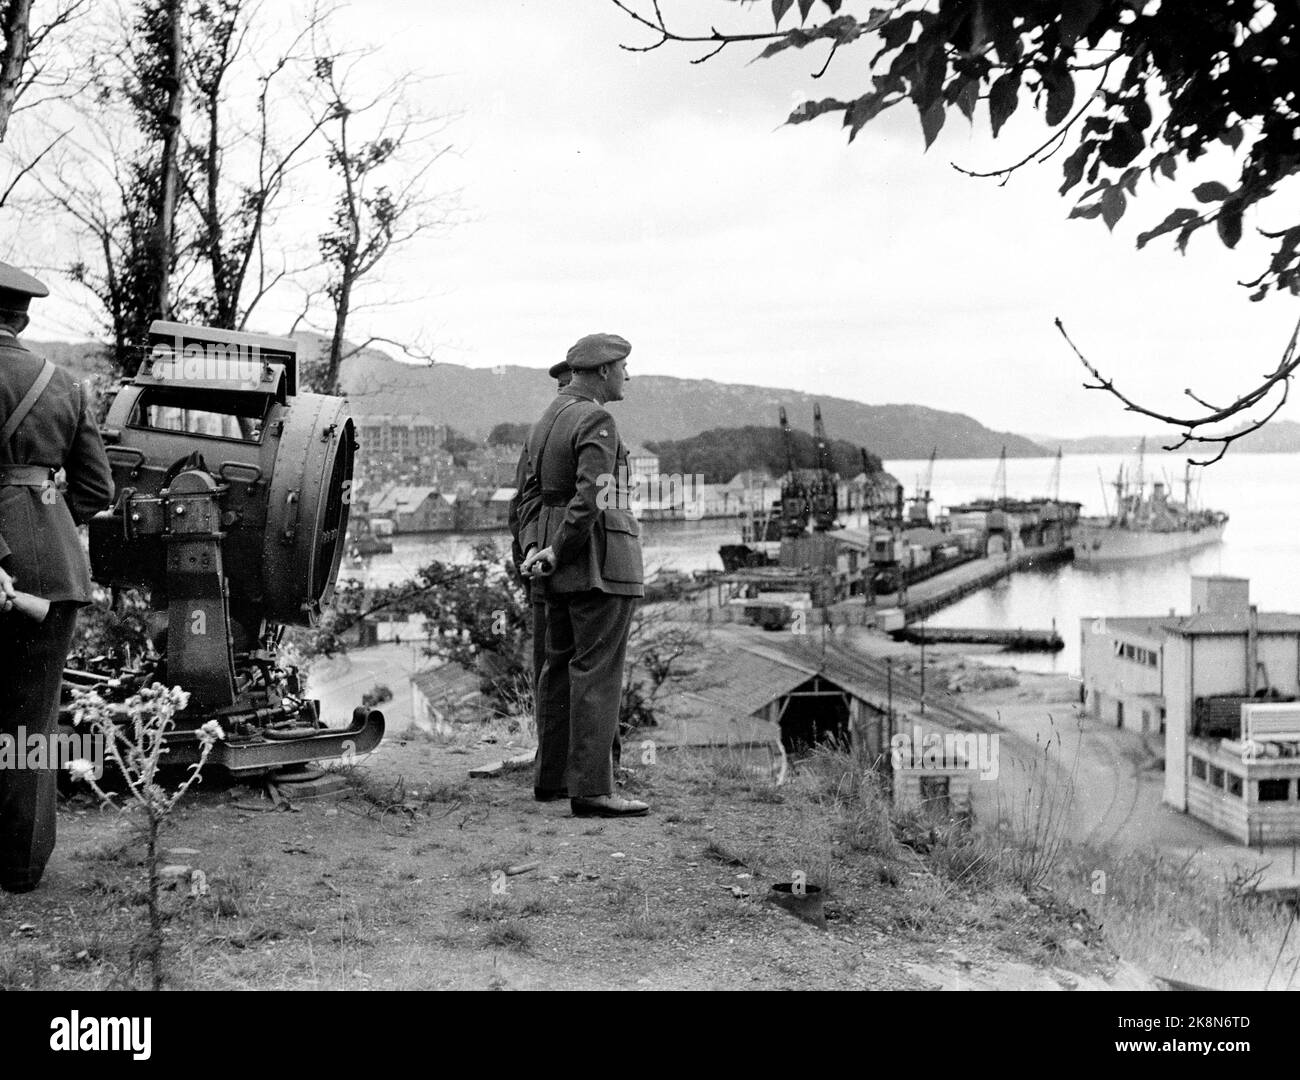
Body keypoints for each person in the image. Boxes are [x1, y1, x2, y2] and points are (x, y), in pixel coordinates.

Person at [0, 261, 115, 893]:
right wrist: (41, 518)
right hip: (51, 573)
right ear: (21, 318)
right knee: (31, 723)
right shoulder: (65, 384)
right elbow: (96, 489)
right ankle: (21, 865)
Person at [518, 333, 648, 818]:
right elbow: (593, 496)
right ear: (603, 372)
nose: (627, 376)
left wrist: (539, 548)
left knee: (558, 669)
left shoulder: (546, 419)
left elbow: (531, 498)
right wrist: (560, 548)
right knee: (597, 672)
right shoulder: (596, 418)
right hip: (597, 562)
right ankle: (592, 790)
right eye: (623, 367)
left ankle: (552, 779)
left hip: (555, 562)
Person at [508, 358, 576, 802]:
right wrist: (535, 553)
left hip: (566, 564)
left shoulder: (555, 432)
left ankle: (578, 769)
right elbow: (524, 505)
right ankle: (560, 772)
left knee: (570, 668)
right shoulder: (549, 436)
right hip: (557, 566)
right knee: (559, 668)